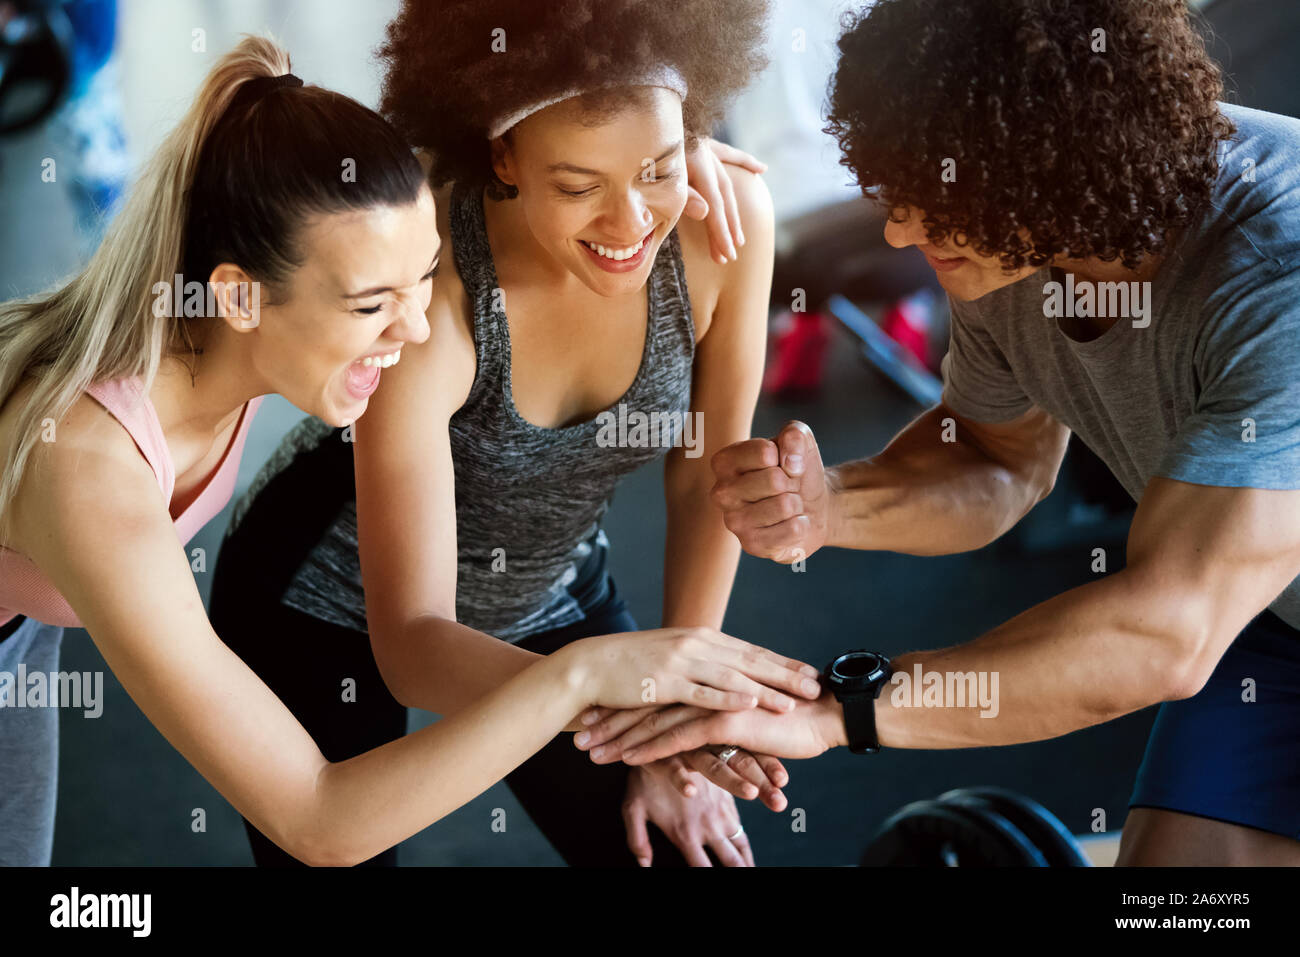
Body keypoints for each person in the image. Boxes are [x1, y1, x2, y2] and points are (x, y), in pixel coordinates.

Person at [0, 33, 816, 867]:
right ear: (239, 295)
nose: (416, 332)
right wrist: (591, 682)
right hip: (252, 607)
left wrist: (660, 150)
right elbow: (319, 819)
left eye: (422, 280)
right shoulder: (92, 469)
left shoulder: (234, 325)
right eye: (370, 306)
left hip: (20, 624)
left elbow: (422, 178)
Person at [574, 0, 1300, 866]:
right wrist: (832, 504)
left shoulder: (1275, 278)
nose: (898, 231)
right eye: (899, 191)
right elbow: (998, 456)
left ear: (1057, 165)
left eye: (932, 199)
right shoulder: (1009, 237)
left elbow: (1164, 632)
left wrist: (842, 709)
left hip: (1214, 605)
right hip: (1265, 611)